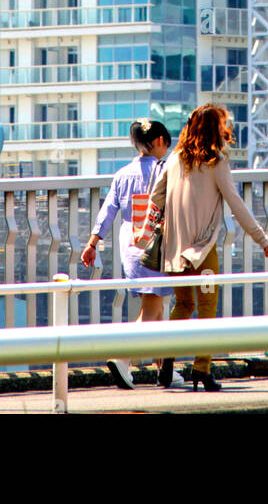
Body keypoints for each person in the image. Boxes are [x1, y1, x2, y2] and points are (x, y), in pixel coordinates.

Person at [136, 104, 268, 392]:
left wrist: (147, 231)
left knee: (183, 304)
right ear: (214, 129)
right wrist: (261, 238)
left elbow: (156, 197)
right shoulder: (216, 162)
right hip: (202, 250)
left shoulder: (174, 160)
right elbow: (236, 203)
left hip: (174, 249)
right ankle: (202, 369)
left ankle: (168, 361)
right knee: (207, 307)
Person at [80, 119, 184, 390]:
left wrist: (93, 241)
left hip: (130, 245)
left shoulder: (123, 173)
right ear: (160, 141)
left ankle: (165, 369)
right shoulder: (167, 171)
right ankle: (123, 357)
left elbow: (108, 210)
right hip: (158, 245)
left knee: (156, 305)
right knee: (151, 310)